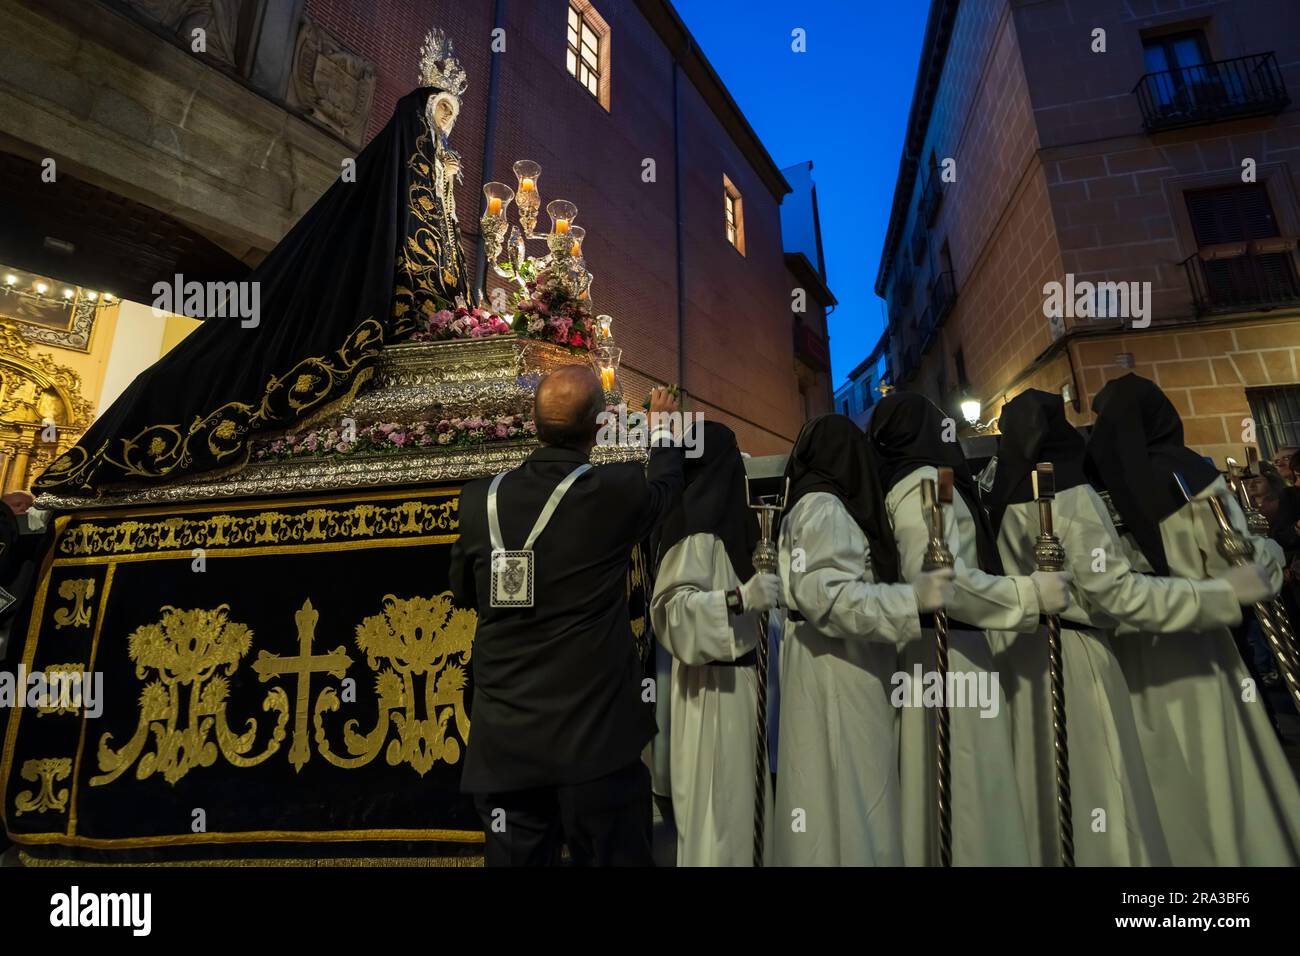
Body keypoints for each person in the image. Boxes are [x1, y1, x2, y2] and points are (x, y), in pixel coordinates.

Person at [987, 389, 1267, 865]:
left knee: (1050, 790)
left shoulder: (1001, 494)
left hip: (1027, 660)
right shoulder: (1070, 493)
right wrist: (1222, 595)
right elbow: (1115, 592)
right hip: (1080, 657)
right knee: (1107, 791)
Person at [450, 368, 684, 866]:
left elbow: (463, 592)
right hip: (595, 744)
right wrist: (664, 432)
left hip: (506, 747)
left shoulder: (479, 499)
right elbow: (665, 491)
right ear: (600, 428)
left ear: (534, 425)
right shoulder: (613, 490)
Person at [1088, 373, 1300, 865]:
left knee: (1159, 779)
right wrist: (1269, 549)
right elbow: (1240, 563)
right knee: (1219, 775)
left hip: (1134, 656)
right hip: (1201, 650)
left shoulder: (1095, 491)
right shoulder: (1189, 475)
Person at [867, 390, 1071, 866]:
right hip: (949, 656)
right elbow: (942, 581)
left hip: (948, 652)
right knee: (971, 796)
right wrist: (1030, 594)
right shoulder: (924, 479)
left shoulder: (911, 479)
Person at [774, 414, 955, 866]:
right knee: (850, 803)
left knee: (838, 799)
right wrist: (912, 599)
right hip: (838, 674)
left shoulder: (812, 502)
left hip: (833, 669)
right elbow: (827, 598)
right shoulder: (824, 507)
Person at [649, 421, 781, 866]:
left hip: (743, 689)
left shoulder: (731, 526)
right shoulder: (693, 530)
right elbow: (673, 615)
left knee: (746, 817)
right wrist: (738, 599)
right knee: (720, 822)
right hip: (710, 696)